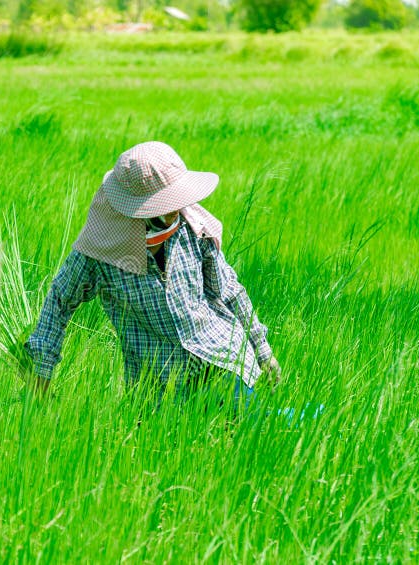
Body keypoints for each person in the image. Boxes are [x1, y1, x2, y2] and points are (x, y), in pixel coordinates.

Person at [22, 141, 280, 411]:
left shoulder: (194, 228)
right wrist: (41, 373)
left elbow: (228, 290)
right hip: (155, 383)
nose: (176, 207)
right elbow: (59, 302)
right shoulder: (101, 251)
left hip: (218, 355)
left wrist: (263, 351)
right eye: (166, 203)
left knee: (252, 422)